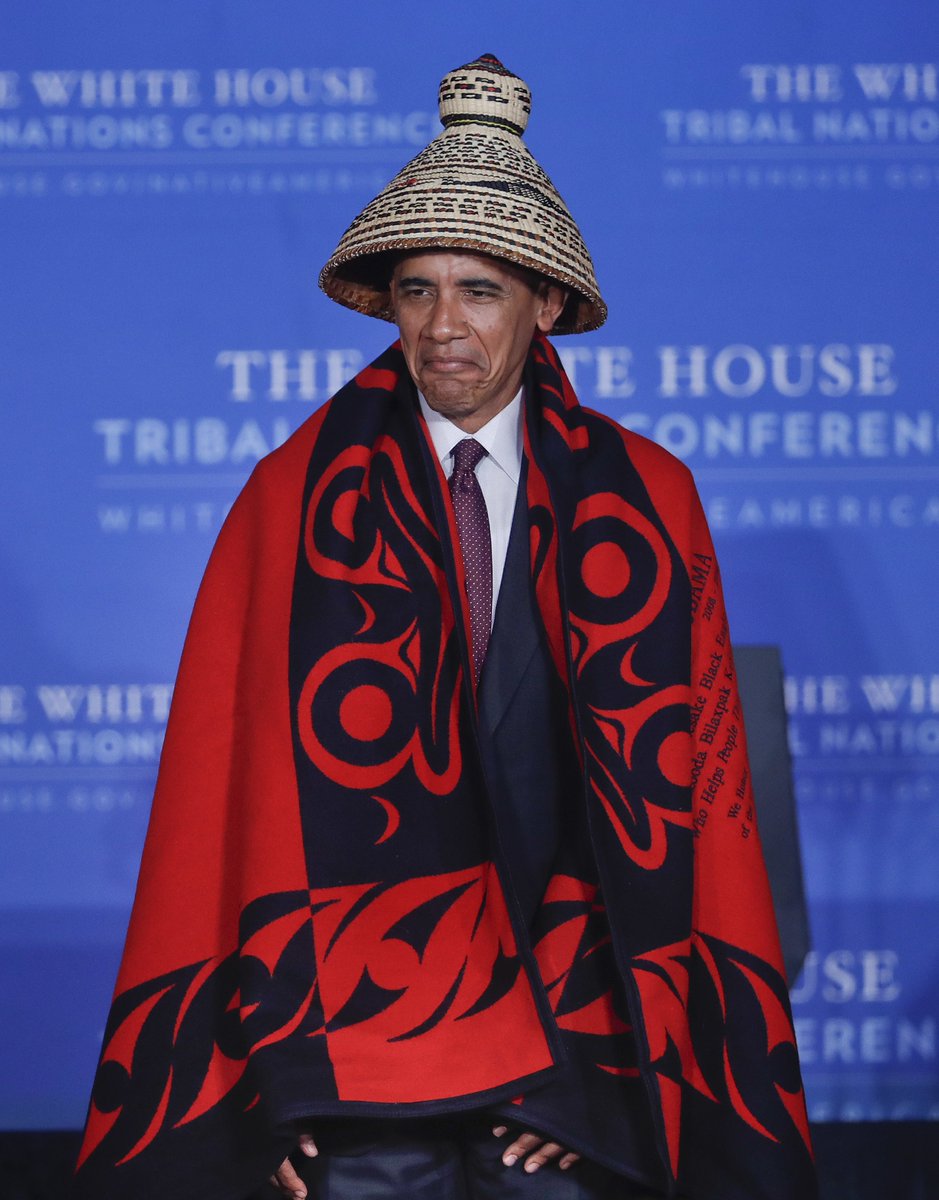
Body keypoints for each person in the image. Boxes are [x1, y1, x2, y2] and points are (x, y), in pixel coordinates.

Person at [74, 55, 817, 1200]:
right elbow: (231, 801)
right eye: (418, 290)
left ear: (548, 306)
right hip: (353, 1056)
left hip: (574, 1047)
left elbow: (678, 815)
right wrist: (276, 1085)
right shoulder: (289, 495)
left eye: (479, 291)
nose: (442, 327)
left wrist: (599, 1081)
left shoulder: (649, 495)